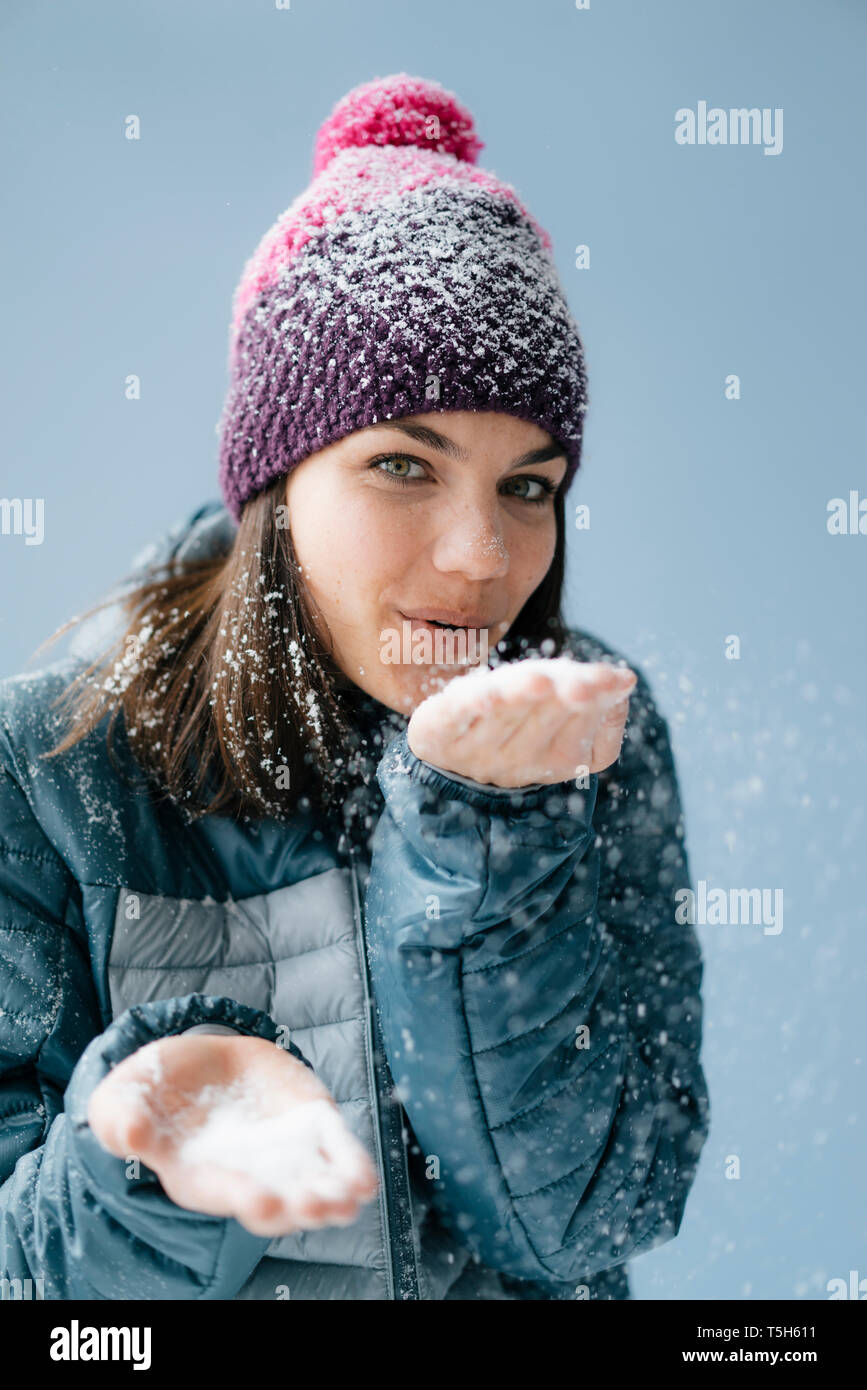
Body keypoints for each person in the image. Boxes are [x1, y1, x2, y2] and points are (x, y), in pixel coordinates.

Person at [0, 73, 709, 1301]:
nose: (484, 557)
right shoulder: (52, 767)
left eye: (530, 485)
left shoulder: (587, 738)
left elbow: (597, 1218)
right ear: (276, 483)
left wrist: (486, 854)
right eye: (401, 464)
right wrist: (148, 1154)